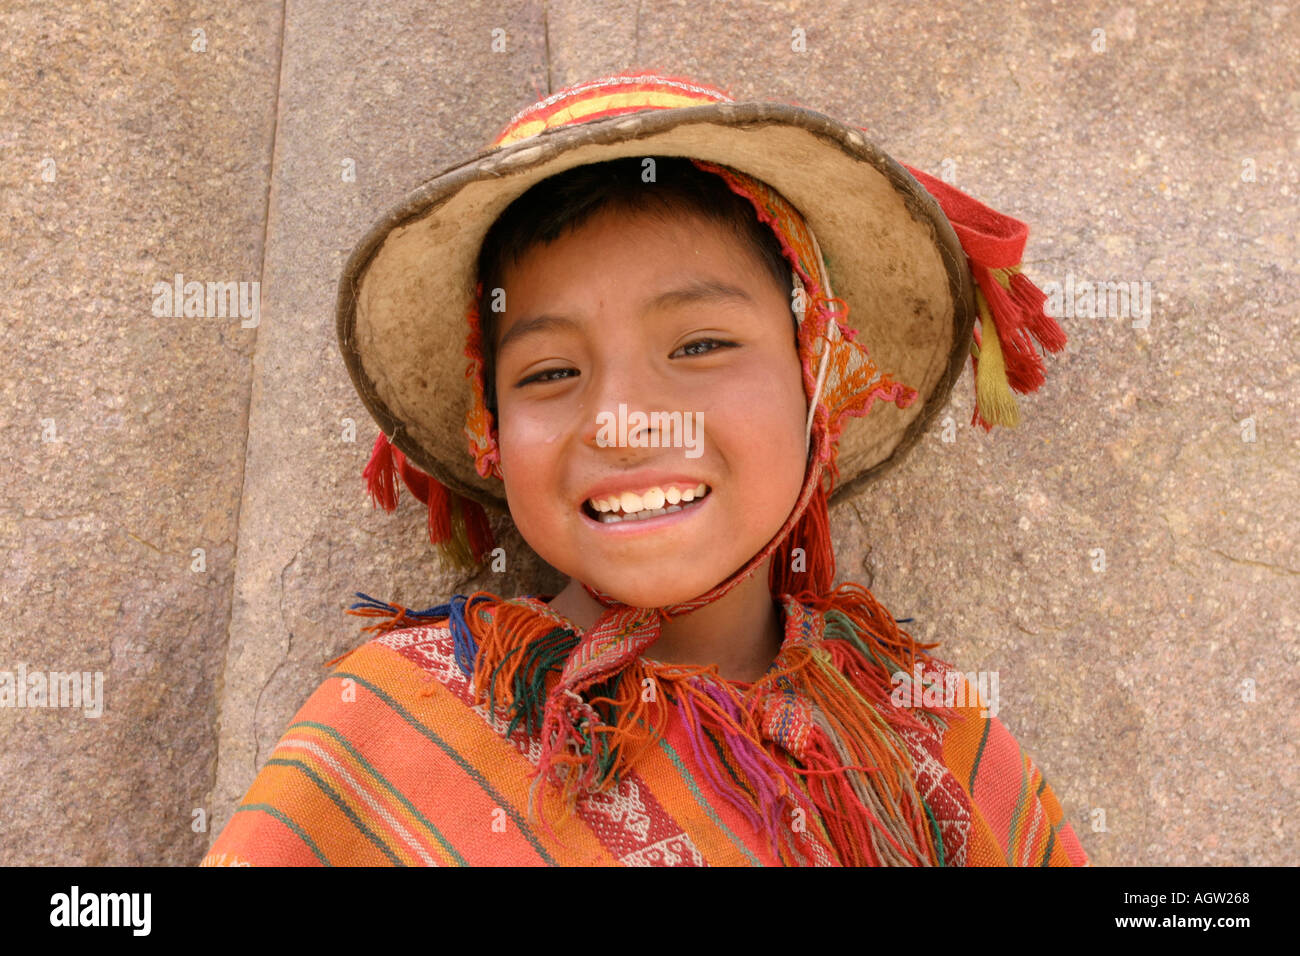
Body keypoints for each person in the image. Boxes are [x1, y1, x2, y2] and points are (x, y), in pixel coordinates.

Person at [203, 71, 1088, 867]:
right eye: (551, 373)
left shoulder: (928, 743)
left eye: (701, 344)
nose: (623, 422)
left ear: (817, 373)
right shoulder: (394, 737)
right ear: (493, 430)